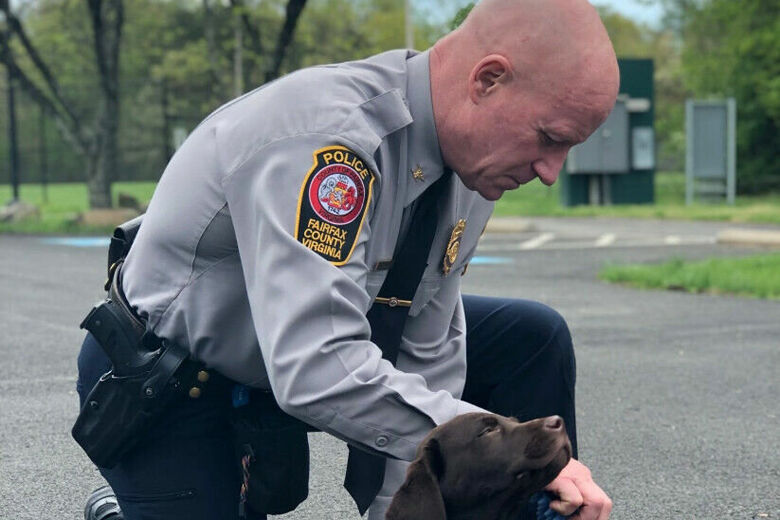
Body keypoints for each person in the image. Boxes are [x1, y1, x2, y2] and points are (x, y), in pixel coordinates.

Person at [76, 0, 620, 518]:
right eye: (549, 138)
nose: (550, 171)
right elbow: (315, 365)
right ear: (488, 80)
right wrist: (482, 437)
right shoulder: (327, 139)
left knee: (529, 337)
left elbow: (427, 357)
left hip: (305, 354)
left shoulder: (478, 166)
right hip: (173, 378)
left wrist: (408, 508)